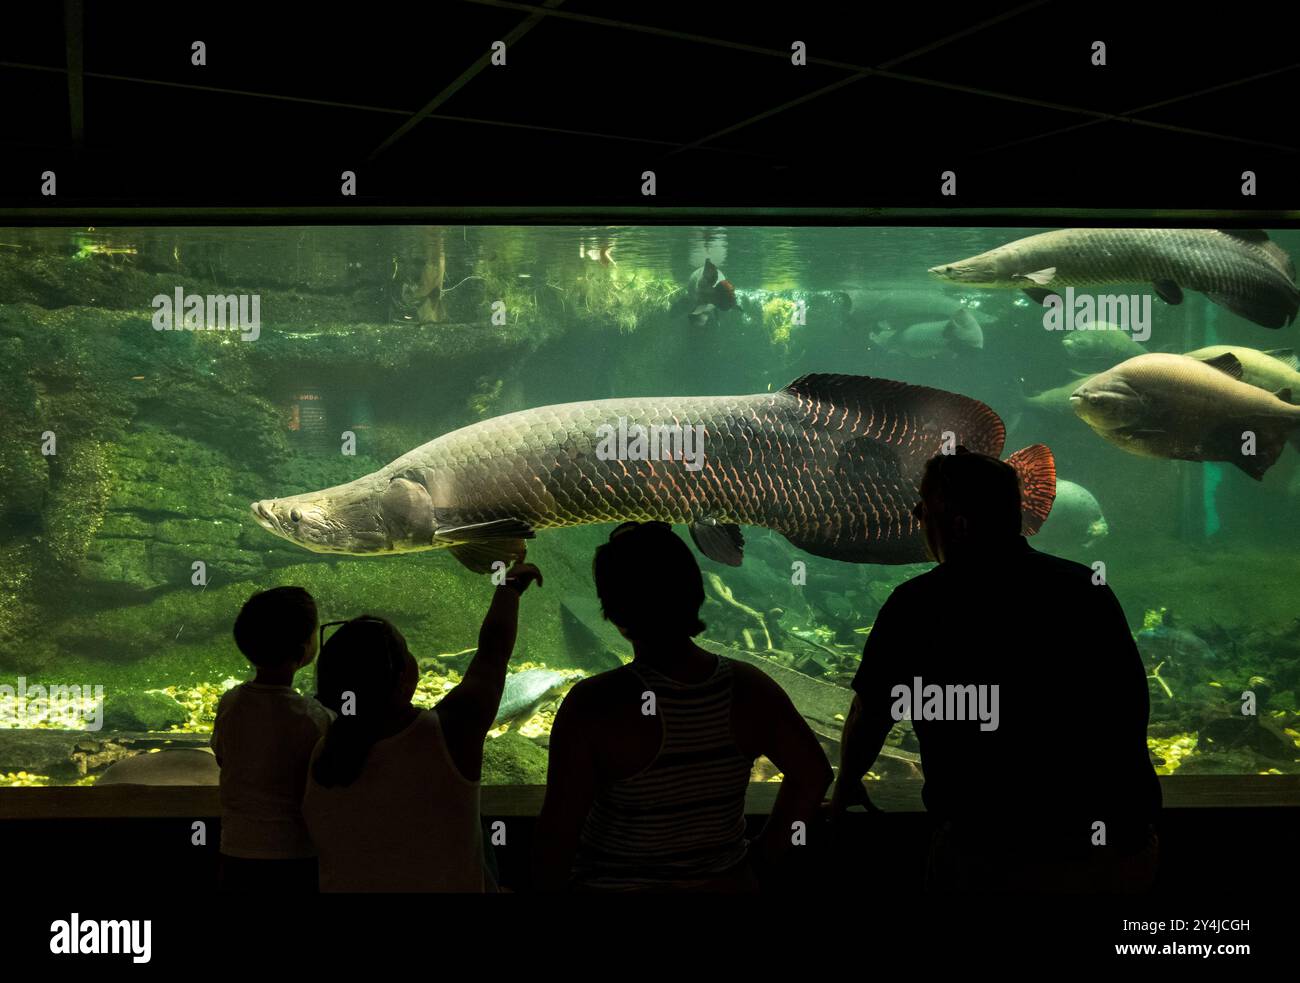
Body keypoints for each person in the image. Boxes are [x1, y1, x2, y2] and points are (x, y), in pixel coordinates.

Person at [832, 448, 1161, 892]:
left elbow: (871, 713)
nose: (917, 516)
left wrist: (846, 783)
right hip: (1114, 847)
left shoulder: (918, 603)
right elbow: (1129, 705)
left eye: (922, 506)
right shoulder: (1086, 588)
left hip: (990, 851)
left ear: (956, 520)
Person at [534, 521, 832, 892]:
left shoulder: (592, 704)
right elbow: (815, 774)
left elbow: (557, 836)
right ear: (695, 594)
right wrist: (762, 858)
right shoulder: (750, 687)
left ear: (614, 613)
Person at [301, 560, 542, 892]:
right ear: (404, 679)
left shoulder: (323, 752)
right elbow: (493, 655)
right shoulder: (446, 735)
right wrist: (508, 589)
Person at [212, 586, 333, 892]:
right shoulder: (314, 717)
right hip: (297, 852)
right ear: (306, 648)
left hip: (236, 848)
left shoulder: (230, 703)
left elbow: (222, 758)